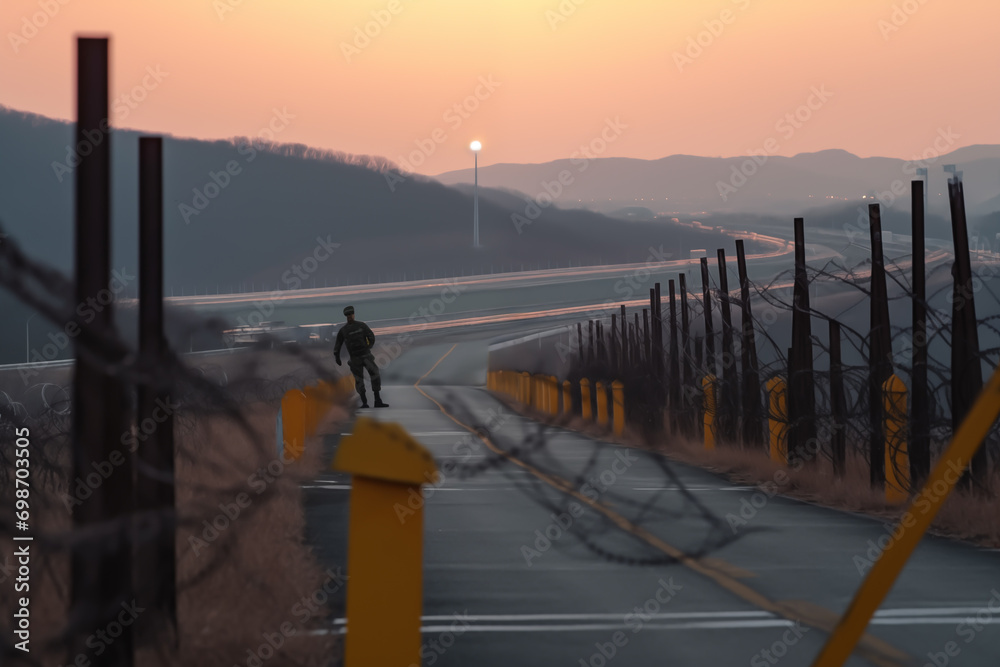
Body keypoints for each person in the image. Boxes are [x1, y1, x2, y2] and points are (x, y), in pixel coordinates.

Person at [334, 305, 388, 408]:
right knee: (359, 380)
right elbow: (338, 344)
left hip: (366, 356)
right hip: (355, 359)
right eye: (348, 315)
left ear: (353, 314)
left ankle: (377, 400)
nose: (350, 316)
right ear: (346, 316)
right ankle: (364, 402)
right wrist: (337, 357)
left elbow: (371, 336)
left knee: (375, 375)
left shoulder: (361, 325)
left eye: (351, 314)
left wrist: (368, 347)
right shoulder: (343, 331)